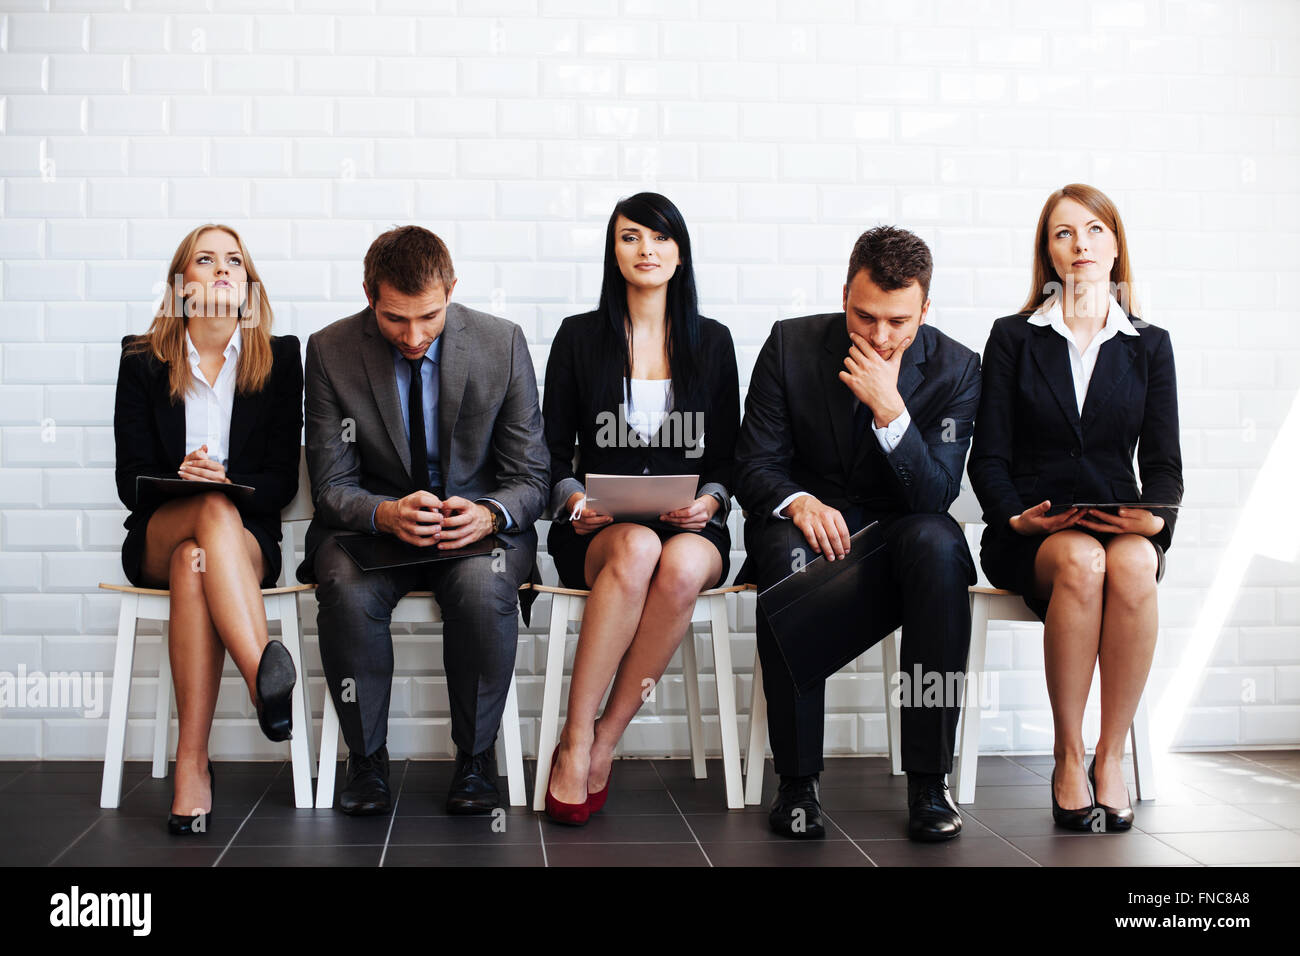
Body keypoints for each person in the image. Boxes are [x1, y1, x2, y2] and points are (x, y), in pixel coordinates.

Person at [735, 225, 981, 842]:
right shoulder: (790, 345)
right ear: (844, 292)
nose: (879, 335)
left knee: (941, 544)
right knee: (789, 553)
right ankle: (797, 783)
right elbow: (754, 463)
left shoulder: (957, 369)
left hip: (900, 532)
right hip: (809, 525)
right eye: (864, 315)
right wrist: (797, 501)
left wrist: (890, 411)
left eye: (899, 322)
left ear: (925, 309)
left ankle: (929, 781)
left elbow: (935, 496)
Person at [298, 226, 548, 816]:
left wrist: (489, 514)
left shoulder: (501, 343)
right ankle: (366, 760)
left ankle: (475, 757)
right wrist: (383, 513)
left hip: (474, 533)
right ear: (368, 295)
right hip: (372, 531)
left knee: (485, 587)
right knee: (342, 586)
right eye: (394, 320)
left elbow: (532, 478)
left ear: (452, 290)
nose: (412, 337)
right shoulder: (330, 351)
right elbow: (331, 487)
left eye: (429, 318)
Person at [968, 184, 1182, 832]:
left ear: (1116, 245)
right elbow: (989, 459)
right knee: (1084, 562)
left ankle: (1108, 757)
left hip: (1118, 525)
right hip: (1033, 534)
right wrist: (1015, 516)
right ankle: (1067, 755)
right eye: (1064, 233)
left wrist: (1156, 517)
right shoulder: (1014, 337)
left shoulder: (1149, 344)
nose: (1080, 244)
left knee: (1134, 564)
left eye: (1093, 230)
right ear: (1048, 252)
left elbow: (1165, 468)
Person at [540, 192, 740, 825]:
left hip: (691, 527)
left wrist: (710, 498)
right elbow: (546, 452)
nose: (646, 250)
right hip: (601, 530)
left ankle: (604, 739)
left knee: (677, 563)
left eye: (659, 238)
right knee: (639, 545)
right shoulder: (578, 337)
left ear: (680, 253)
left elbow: (730, 459)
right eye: (630, 238)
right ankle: (575, 740)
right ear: (613, 251)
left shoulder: (713, 342)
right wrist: (573, 499)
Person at [113, 224, 303, 835]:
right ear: (181, 285)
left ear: (248, 284)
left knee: (197, 557)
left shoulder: (281, 359)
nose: (221, 268)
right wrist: (185, 477)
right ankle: (261, 676)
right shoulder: (142, 360)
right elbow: (130, 482)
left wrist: (224, 480)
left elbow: (282, 483)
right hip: (159, 530)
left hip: (243, 546)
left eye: (233, 260)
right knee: (198, 524)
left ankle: (192, 764)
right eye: (204, 259)